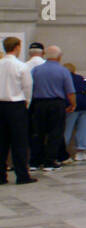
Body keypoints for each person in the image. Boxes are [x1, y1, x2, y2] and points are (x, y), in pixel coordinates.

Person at [29, 45, 74, 171]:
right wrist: (72, 104)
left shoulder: (36, 70)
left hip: (38, 104)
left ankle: (35, 161)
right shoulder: (63, 71)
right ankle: (50, 161)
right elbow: (70, 91)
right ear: (59, 57)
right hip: (56, 104)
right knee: (55, 133)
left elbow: (30, 87)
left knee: (38, 133)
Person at [0, 37, 34, 185]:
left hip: (0, 105)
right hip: (16, 105)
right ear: (17, 47)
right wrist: (27, 102)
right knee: (19, 143)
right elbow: (27, 87)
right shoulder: (21, 66)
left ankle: (1, 176)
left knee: (1, 142)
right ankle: (22, 175)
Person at [63, 62, 86, 162]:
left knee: (66, 129)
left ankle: (62, 152)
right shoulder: (80, 78)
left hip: (71, 104)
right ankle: (80, 153)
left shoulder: (64, 79)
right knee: (84, 129)